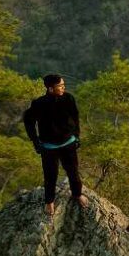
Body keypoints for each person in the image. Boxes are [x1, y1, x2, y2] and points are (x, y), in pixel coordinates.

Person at [23, 73, 88, 215]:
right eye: (60, 86)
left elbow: (75, 117)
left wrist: (76, 136)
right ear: (50, 89)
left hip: (68, 143)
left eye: (64, 85)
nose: (64, 87)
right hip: (49, 147)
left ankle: (77, 194)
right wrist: (35, 141)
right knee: (50, 176)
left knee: (73, 172)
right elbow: (28, 121)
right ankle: (49, 202)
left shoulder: (68, 99)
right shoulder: (39, 104)